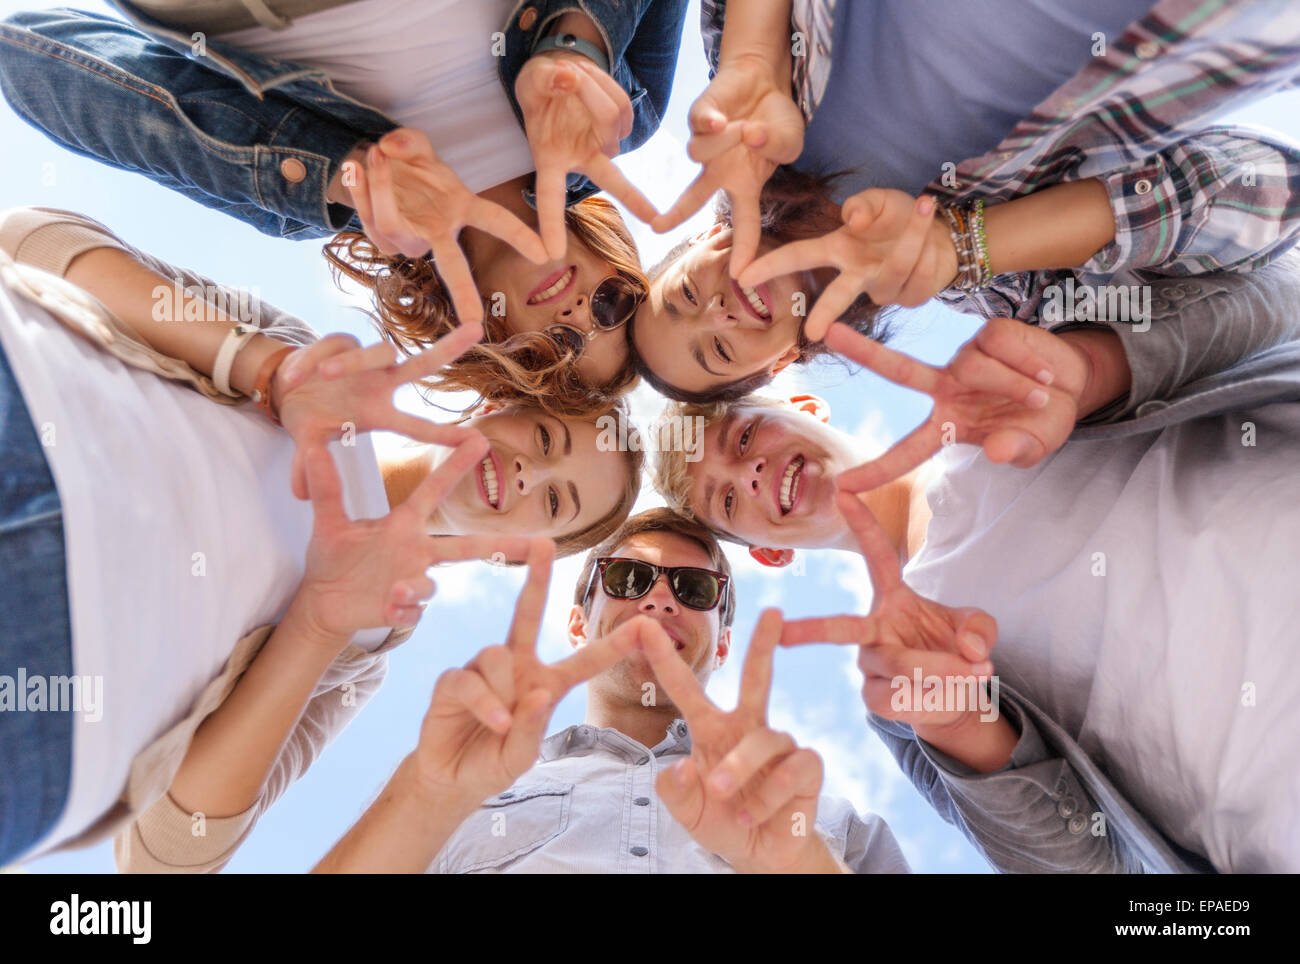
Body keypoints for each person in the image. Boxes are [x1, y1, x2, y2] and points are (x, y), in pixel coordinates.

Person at [0, 206, 643, 870]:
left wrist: (318, 623)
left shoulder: (359, 649)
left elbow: (167, 853)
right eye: (543, 440)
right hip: (29, 400)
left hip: (50, 692)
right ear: (495, 407)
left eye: (555, 501)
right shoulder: (308, 357)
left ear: (519, 554)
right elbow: (30, 242)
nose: (528, 472)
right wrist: (267, 368)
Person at [650, 264, 1300, 872]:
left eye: (742, 439)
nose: (750, 471)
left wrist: (1091, 366)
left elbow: (1275, 290)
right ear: (768, 551)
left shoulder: (1000, 391)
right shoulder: (900, 697)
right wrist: (963, 726)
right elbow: (1083, 864)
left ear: (806, 411)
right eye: (728, 499)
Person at [0, 0, 685, 408]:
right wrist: (574, 45)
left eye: (557, 349)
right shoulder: (624, 114)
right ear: (618, 265)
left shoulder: (304, 204)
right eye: (609, 308)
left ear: (493, 346)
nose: (575, 316)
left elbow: (30, 58)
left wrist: (341, 172)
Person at [627, 0, 1300, 402]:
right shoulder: (1009, 295)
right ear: (780, 364)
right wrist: (968, 243)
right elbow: (1267, 192)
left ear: (702, 245)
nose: (715, 312)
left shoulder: (745, 85)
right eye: (716, 351)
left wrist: (751, 57)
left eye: (685, 296)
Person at [312, 509, 911, 873]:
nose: (658, 600)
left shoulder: (829, 826)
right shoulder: (460, 787)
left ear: (722, 643)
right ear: (578, 622)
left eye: (695, 590)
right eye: (629, 579)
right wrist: (425, 793)